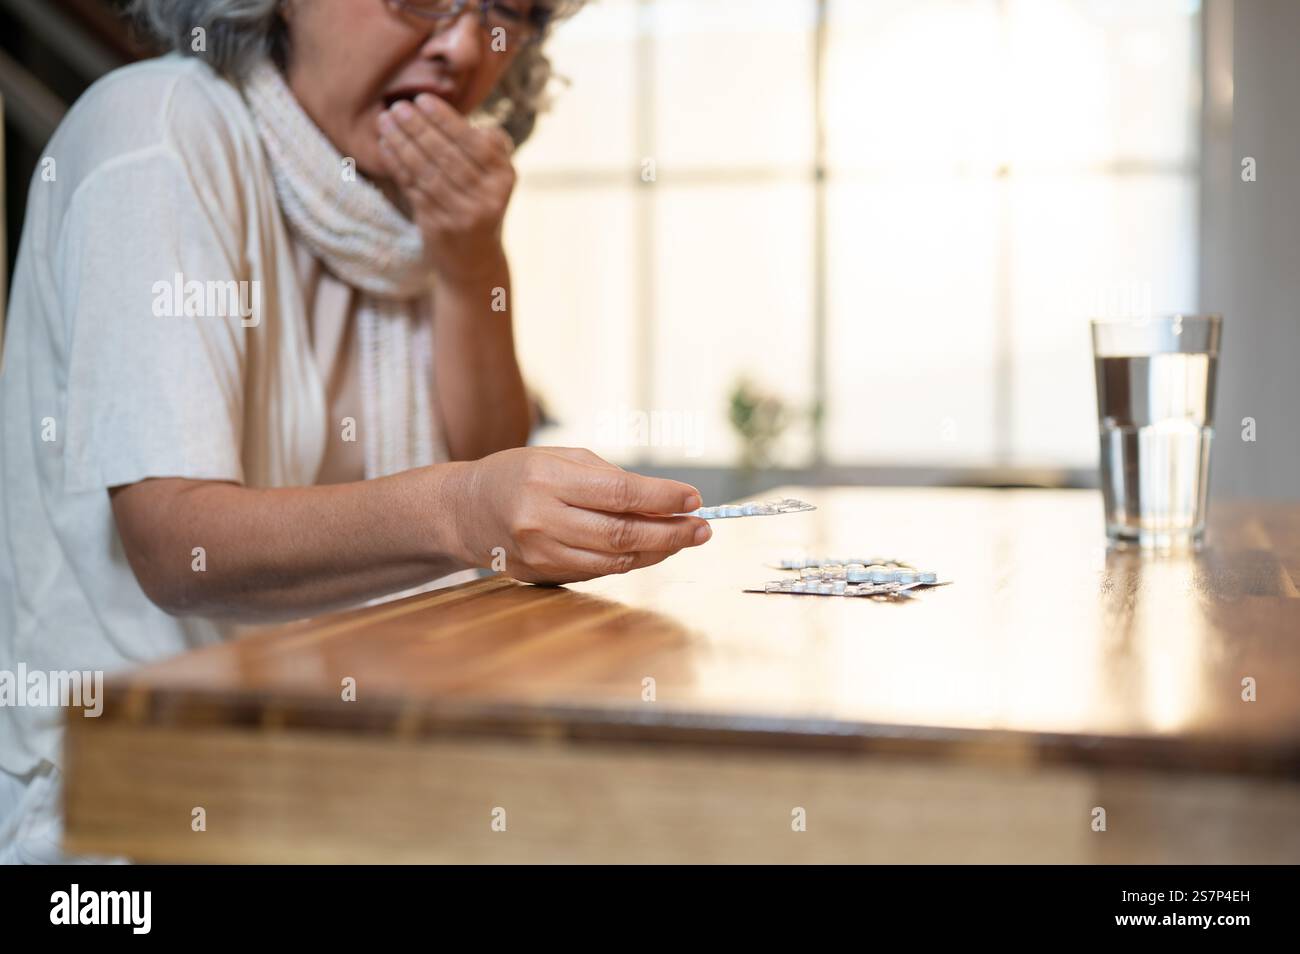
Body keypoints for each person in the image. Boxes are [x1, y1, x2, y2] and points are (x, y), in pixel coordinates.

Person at [0, 0, 711, 863]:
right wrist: (460, 512)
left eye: (509, 12)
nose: (461, 47)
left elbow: (488, 458)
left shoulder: (402, 203)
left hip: (328, 766)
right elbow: (171, 543)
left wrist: (471, 257)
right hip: (124, 807)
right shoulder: (157, 127)